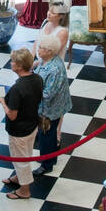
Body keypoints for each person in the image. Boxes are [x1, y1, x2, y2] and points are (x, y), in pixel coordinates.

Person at [0, 46, 43, 200]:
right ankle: (19, 178)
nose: (11, 63)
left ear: (19, 66)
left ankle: (24, 190)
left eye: (13, 61)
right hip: (32, 124)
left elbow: (12, 115)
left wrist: (2, 101)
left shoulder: (17, 88)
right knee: (26, 153)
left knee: (20, 159)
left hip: (19, 130)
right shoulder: (37, 78)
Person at [34, 34, 72, 177]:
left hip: (50, 109)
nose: (38, 50)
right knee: (47, 134)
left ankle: (47, 164)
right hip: (50, 107)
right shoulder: (46, 61)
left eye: (41, 48)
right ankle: (49, 158)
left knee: (47, 135)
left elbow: (48, 93)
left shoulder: (54, 69)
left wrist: (30, 93)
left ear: (50, 51)